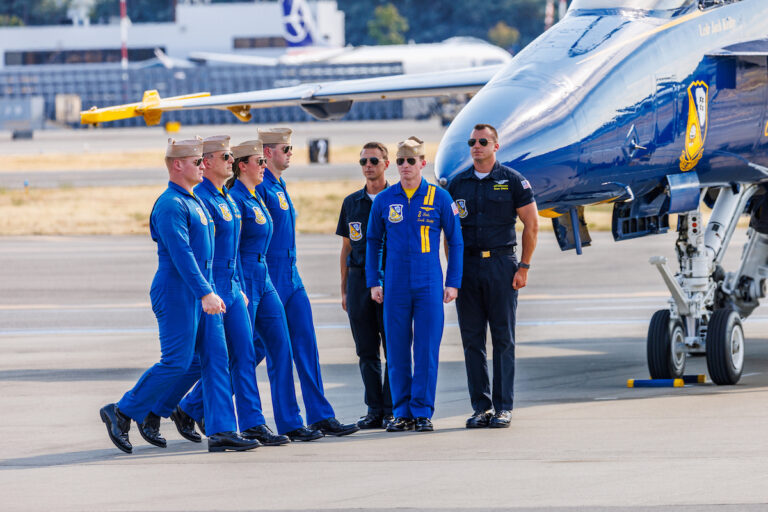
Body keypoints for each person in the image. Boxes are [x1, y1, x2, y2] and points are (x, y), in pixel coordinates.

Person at [99, 137, 258, 453]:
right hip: (177, 292)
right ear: (177, 165)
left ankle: (223, 430)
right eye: (197, 162)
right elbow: (182, 254)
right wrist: (206, 292)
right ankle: (121, 411)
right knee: (176, 361)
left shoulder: (194, 200)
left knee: (213, 360)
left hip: (202, 292)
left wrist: (219, 288)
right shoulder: (170, 204)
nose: (203, 166)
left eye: (203, 161)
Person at [155, 135, 291, 447]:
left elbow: (235, 249)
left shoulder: (225, 197)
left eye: (231, 157)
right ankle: (164, 409)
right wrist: (209, 290)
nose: (230, 162)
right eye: (225, 157)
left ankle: (239, 420)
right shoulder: (198, 196)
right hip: (213, 285)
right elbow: (198, 252)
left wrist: (238, 285)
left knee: (243, 353)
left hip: (236, 282)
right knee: (203, 358)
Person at [255, 127, 358, 437]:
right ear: (268, 153)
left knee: (306, 346)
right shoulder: (259, 187)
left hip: (291, 274)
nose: (291, 154)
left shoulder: (279, 185)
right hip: (270, 276)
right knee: (270, 352)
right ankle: (289, 421)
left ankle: (320, 415)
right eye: (286, 149)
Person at [225, 139, 323, 442]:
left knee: (282, 347)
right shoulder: (239, 198)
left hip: (271, 276)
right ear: (245, 165)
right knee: (246, 351)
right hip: (251, 277)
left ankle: (292, 421)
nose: (264, 168)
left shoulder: (261, 192)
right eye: (259, 162)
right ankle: (244, 419)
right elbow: (232, 246)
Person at [366, 136, 463, 433]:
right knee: (395, 351)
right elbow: (372, 241)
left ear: (423, 163)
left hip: (428, 283)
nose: (405, 166)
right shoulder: (385, 199)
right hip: (395, 285)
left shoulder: (440, 198)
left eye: (411, 161)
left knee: (425, 350)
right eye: (400, 161)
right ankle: (402, 411)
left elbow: (455, 241)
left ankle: (422, 411)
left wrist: (453, 282)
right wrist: (374, 280)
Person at [446, 123, 538, 429]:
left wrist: (523, 267)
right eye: (472, 141)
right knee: (472, 341)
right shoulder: (457, 184)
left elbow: (532, 224)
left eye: (483, 141)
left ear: (495, 146)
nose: (476, 146)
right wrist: (454, 273)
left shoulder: (512, 180)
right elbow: (449, 232)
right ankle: (480, 407)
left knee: (503, 339)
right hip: (468, 269)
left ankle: (503, 407)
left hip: (501, 266)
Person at [336, 142, 393, 429]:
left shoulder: (398, 199)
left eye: (373, 160)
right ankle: (374, 410)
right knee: (366, 350)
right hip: (359, 280)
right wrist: (345, 289)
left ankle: (392, 407)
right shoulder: (351, 203)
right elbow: (346, 248)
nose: (368, 166)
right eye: (363, 162)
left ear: (386, 163)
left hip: (390, 278)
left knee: (392, 347)